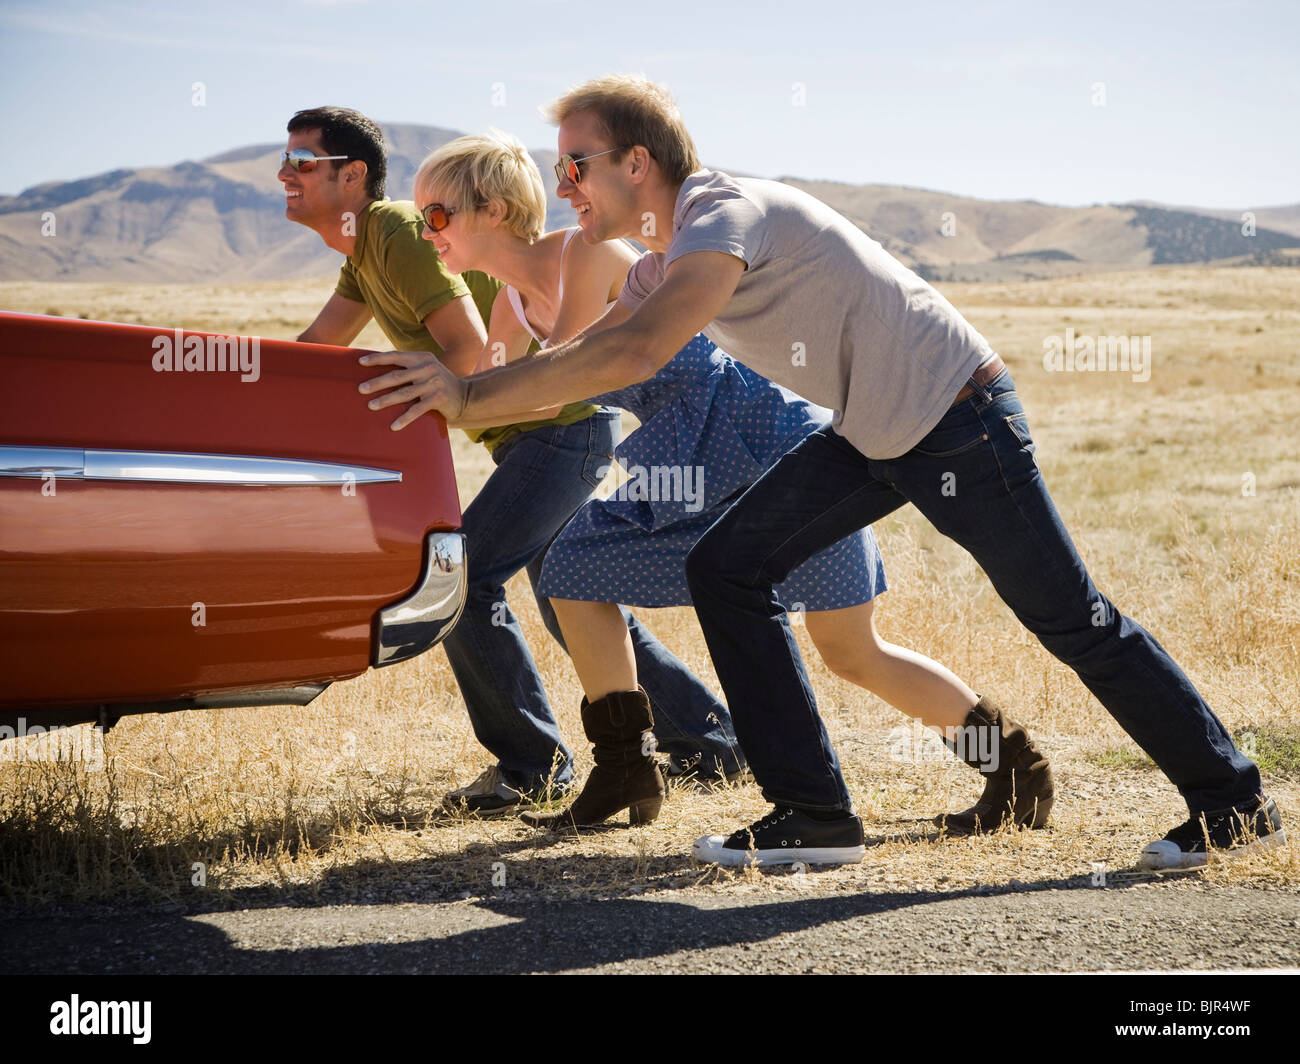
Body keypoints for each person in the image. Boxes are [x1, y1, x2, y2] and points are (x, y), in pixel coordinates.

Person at [359, 77, 1284, 871]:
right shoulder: (659, 261)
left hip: (958, 419)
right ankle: (815, 814)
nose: (561, 188)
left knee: (1069, 619)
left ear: (635, 164)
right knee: (730, 571)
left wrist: (469, 397)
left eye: (574, 167)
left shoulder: (726, 214)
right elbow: (589, 354)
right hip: (873, 435)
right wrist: (464, 396)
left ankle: (1231, 801)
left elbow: (635, 352)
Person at [407, 132, 1047, 836]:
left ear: (491, 211)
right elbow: (513, 397)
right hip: (687, 471)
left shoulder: (584, 254)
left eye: (434, 216)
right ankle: (625, 765)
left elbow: (573, 373)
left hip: (763, 444)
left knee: (853, 652)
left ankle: (1014, 769)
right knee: (572, 569)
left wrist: (462, 393)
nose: (424, 234)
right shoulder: (509, 308)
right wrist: (441, 395)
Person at [282, 108, 735, 816]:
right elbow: (471, 382)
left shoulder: (543, 248)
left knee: (465, 584)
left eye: (439, 217)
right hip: (545, 439)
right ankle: (711, 741)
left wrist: (427, 394)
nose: (429, 232)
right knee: (571, 596)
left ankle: (532, 765)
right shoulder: (391, 267)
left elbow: (514, 368)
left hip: (575, 433)